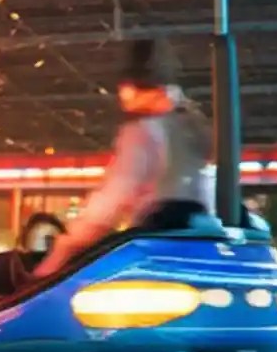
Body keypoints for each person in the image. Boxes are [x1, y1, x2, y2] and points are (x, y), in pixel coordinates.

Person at [34, 38, 215, 277]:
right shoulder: (190, 126)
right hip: (198, 244)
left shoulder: (143, 131)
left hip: (154, 249)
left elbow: (116, 195)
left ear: (136, 86)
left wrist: (67, 245)